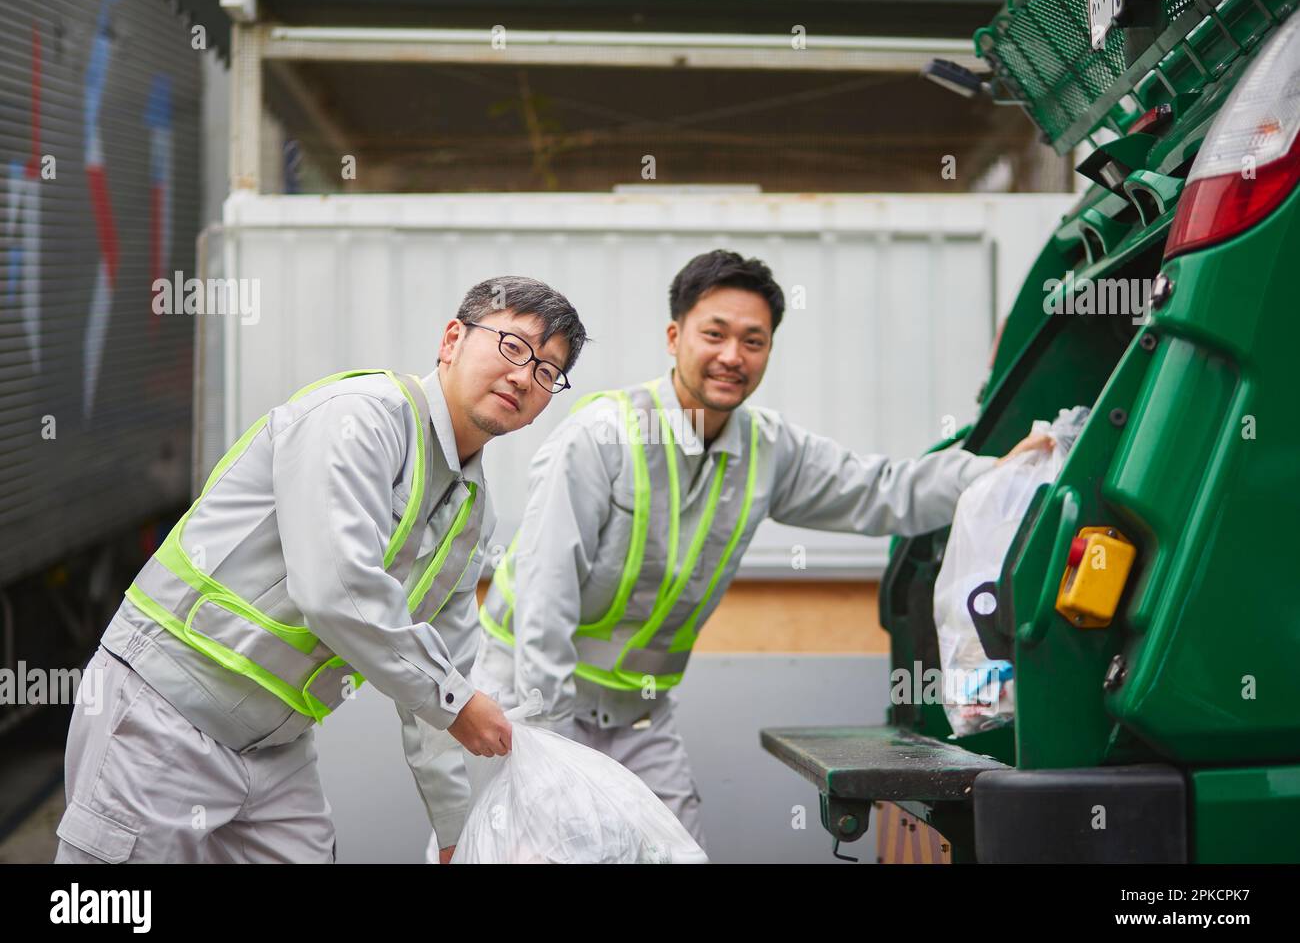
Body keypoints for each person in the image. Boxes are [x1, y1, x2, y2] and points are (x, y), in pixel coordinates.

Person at [428, 250, 1050, 861]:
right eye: (714, 334)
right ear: (675, 337)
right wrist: (550, 750)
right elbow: (544, 598)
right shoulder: (602, 437)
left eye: (753, 341)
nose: (732, 356)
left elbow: (885, 489)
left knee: (675, 854)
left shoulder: (769, 449)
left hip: (640, 718)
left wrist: (999, 475)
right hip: (528, 707)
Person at [54, 276, 586, 863]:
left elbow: (443, 669)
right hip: (163, 709)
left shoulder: (471, 510)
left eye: (546, 371)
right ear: (452, 339)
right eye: (513, 346)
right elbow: (336, 589)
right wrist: (457, 702)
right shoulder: (359, 418)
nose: (523, 375)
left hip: (276, 748)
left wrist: (458, 833)